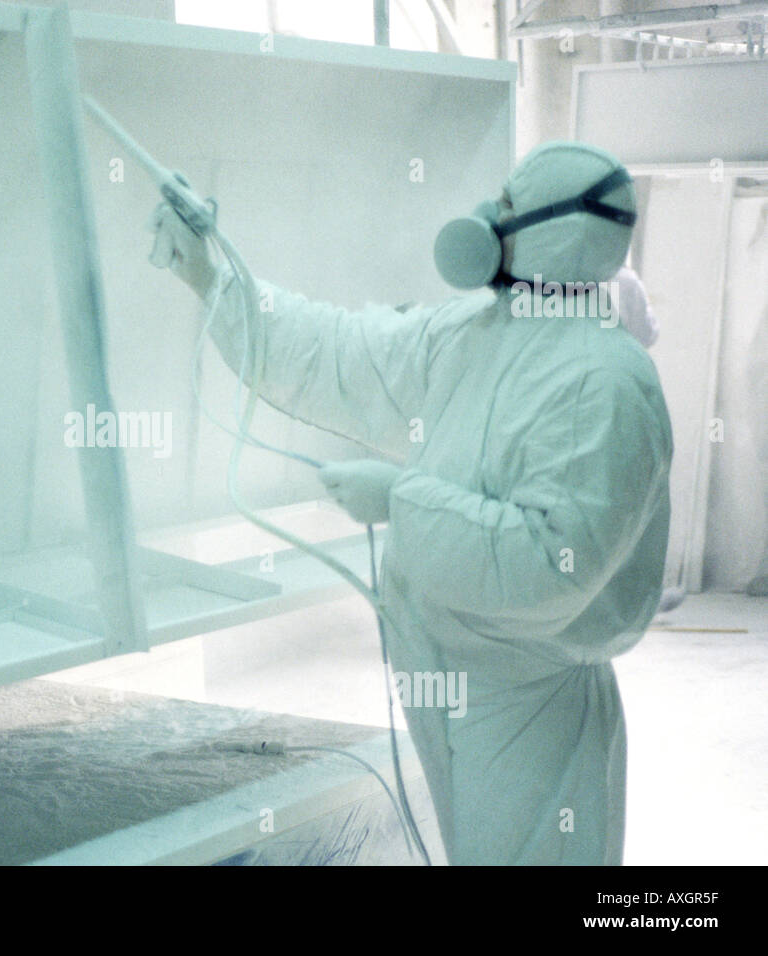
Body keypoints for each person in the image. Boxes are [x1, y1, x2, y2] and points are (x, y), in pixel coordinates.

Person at [148, 141, 673, 865]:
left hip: (528, 700)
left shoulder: (606, 382)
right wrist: (213, 273)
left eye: (511, 207)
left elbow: (551, 565)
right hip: (457, 675)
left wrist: (404, 499)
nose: (489, 218)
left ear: (554, 231)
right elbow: (338, 352)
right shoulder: (476, 335)